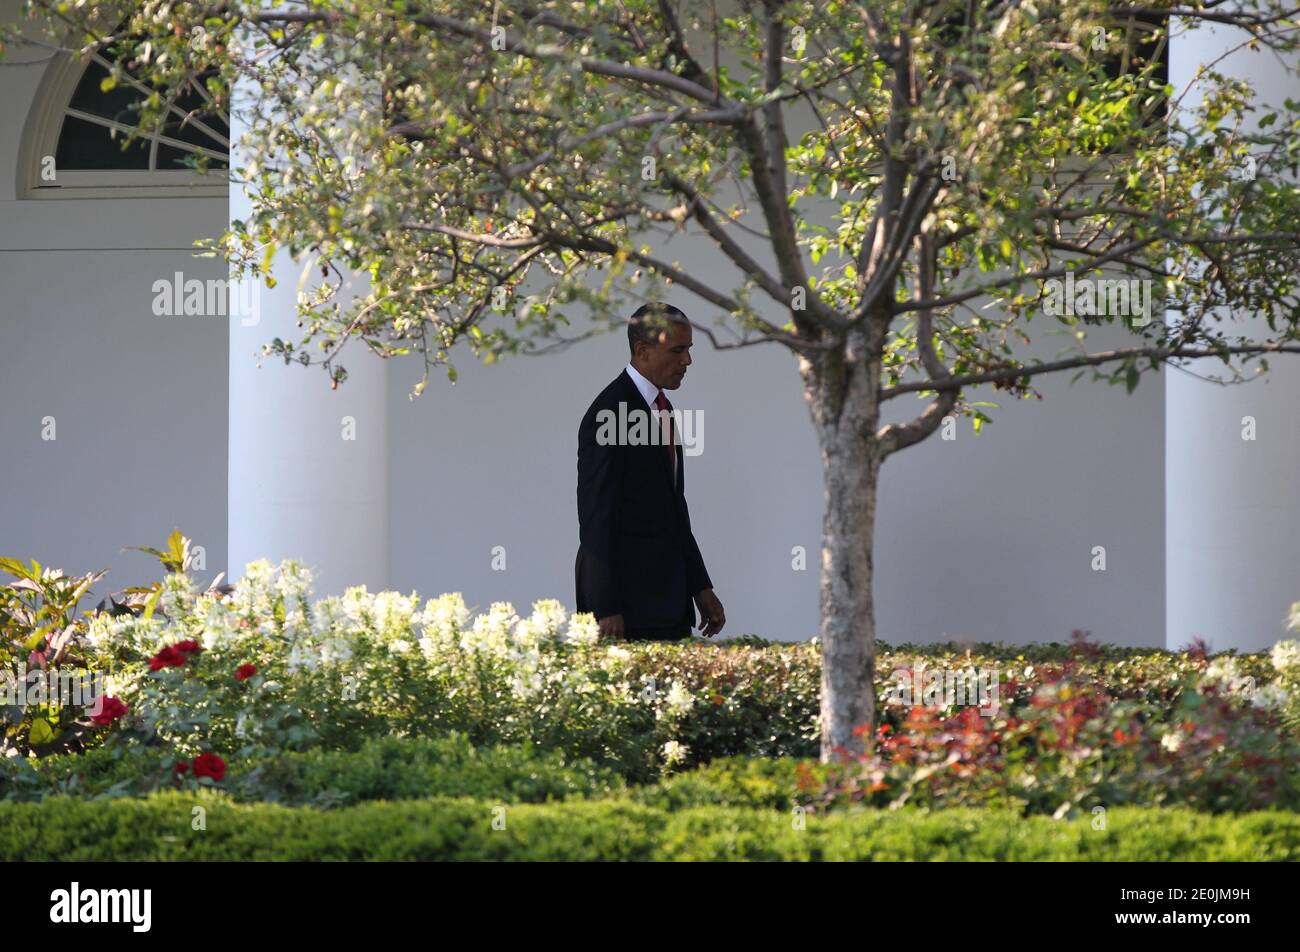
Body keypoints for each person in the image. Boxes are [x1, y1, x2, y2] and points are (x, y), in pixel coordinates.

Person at [574, 303, 726, 641]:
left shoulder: (661, 407)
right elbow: (596, 517)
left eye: (688, 349)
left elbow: (673, 508)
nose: (687, 360)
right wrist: (606, 606)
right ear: (642, 351)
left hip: (668, 603)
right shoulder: (609, 412)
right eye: (678, 350)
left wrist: (700, 586)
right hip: (627, 610)